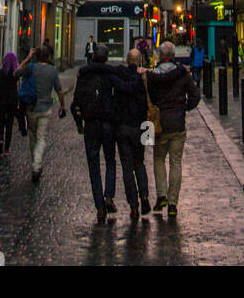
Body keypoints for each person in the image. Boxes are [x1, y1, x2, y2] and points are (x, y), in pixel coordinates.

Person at [147, 40, 201, 217]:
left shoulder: (153, 75)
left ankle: (161, 194)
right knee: (176, 163)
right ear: (174, 56)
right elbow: (195, 96)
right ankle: (172, 203)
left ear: (161, 56)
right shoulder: (183, 75)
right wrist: (185, 108)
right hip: (178, 123)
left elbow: (149, 99)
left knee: (158, 159)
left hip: (160, 125)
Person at [71, 42, 119, 223]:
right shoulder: (112, 74)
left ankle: (99, 206)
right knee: (110, 161)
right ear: (107, 58)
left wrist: (79, 123)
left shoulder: (84, 75)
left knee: (93, 165)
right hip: (108, 123)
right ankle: (109, 197)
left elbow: (75, 102)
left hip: (90, 124)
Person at [16, 44, 67, 183]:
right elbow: (59, 90)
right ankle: (36, 165)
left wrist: (27, 58)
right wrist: (62, 106)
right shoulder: (52, 71)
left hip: (31, 109)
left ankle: (36, 163)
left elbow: (16, 72)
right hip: (45, 109)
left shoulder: (31, 68)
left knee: (33, 136)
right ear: (49, 56)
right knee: (41, 137)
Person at [111, 48, 152, 220]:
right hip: (143, 125)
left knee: (127, 168)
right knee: (140, 163)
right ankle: (144, 197)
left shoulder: (119, 76)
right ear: (140, 61)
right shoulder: (144, 77)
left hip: (122, 127)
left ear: (127, 61)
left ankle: (133, 206)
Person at [0, 52, 20, 155]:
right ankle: (6, 149)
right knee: (9, 125)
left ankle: (1, 140)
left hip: (0, 101)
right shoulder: (15, 74)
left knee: (0, 122)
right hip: (11, 102)